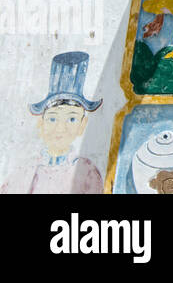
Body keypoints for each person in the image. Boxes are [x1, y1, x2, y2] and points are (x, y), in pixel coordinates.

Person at [1, 51, 104, 193]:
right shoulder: (26, 170)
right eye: (53, 119)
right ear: (41, 123)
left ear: (82, 125)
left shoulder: (86, 171)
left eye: (72, 119)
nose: (60, 128)